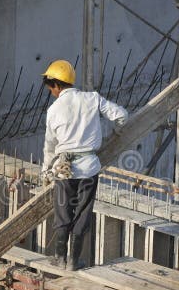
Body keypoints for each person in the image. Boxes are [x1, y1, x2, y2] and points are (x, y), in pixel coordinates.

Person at [41, 59, 128, 270]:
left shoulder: (53, 110)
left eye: (49, 86)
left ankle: (59, 258)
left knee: (63, 213)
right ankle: (73, 261)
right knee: (82, 214)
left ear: (56, 85)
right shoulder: (92, 99)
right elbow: (122, 116)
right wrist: (115, 132)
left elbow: (50, 146)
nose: (50, 90)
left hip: (63, 170)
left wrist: (45, 171)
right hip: (89, 168)